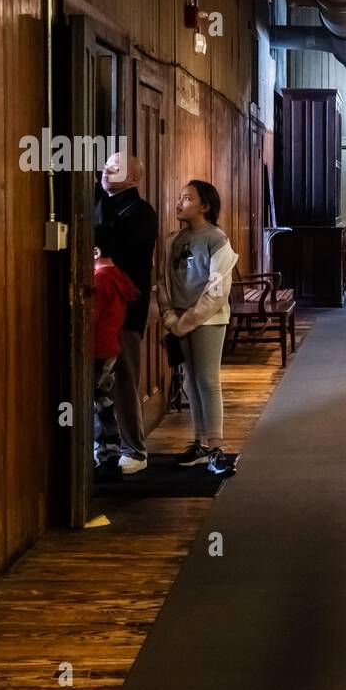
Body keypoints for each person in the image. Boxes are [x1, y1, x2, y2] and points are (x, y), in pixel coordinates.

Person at [156, 180, 238, 476]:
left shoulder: (217, 239)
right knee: (190, 381)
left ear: (204, 206)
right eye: (179, 198)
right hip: (178, 320)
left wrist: (185, 321)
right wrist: (169, 317)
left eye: (187, 198)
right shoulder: (172, 240)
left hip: (208, 319)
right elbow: (163, 281)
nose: (180, 203)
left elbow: (217, 290)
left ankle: (216, 449)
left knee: (207, 381)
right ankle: (200, 443)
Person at [96, 152, 158, 475]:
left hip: (125, 308)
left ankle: (135, 449)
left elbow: (118, 256)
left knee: (124, 376)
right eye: (106, 165)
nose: (106, 170)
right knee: (96, 380)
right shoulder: (100, 203)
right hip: (95, 306)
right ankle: (103, 442)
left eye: (115, 167)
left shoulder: (141, 212)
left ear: (134, 178)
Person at [92, 223, 139, 476]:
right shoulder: (117, 275)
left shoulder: (100, 281)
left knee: (96, 405)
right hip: (111, 348)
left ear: (95, 252)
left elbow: (89, 317)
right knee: (105, 402)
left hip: (96, 350)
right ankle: (109, 452)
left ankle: (102, 455)